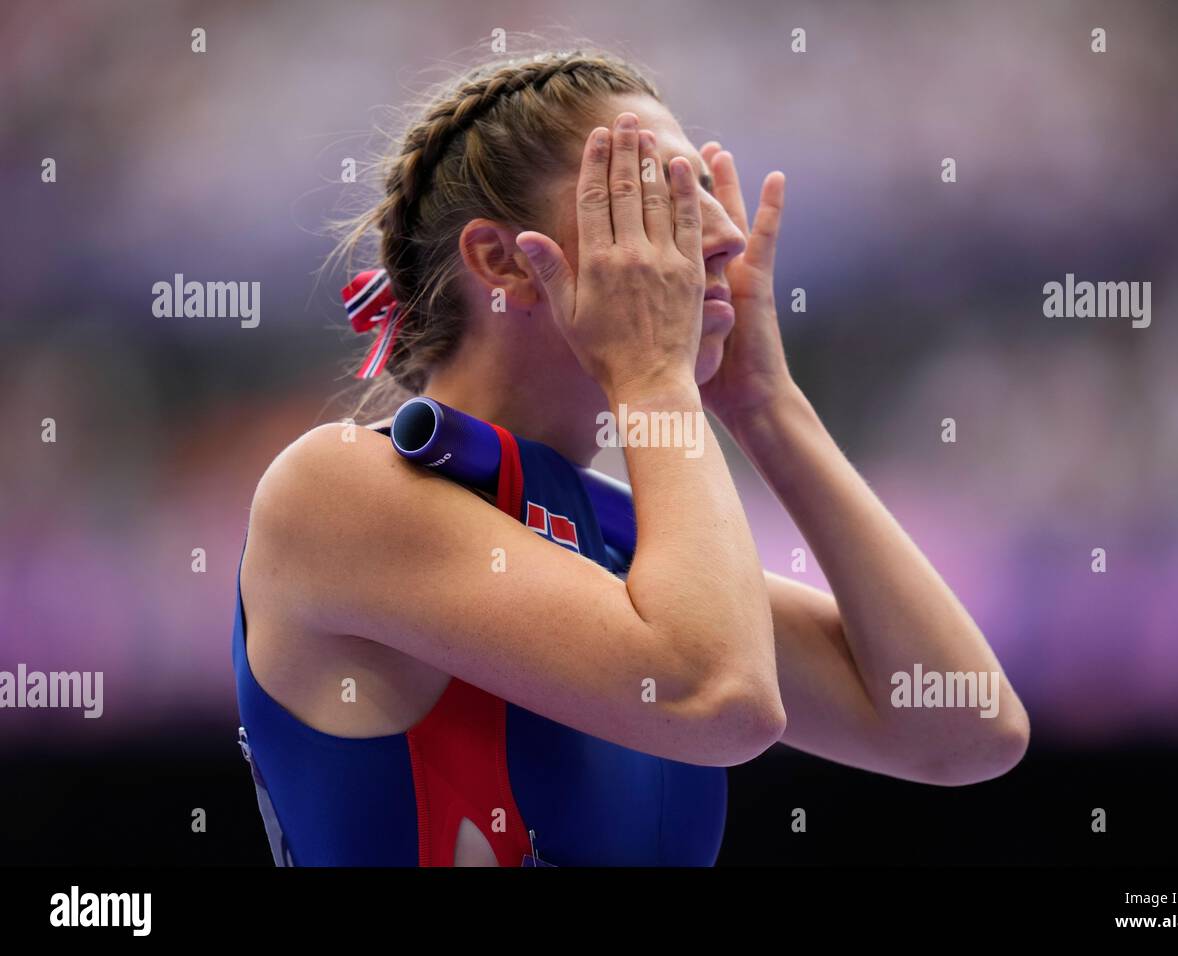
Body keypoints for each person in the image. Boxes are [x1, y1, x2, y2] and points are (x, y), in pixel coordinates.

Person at [232, 49, 1030, 867]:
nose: (723, 237)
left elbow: (966, 731)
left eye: (706, 196)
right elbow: (721, 699)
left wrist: (768, 408)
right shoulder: (335, 488)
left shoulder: (618, 547)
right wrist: (654, 375)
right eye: (659, 203)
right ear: (502, 262)